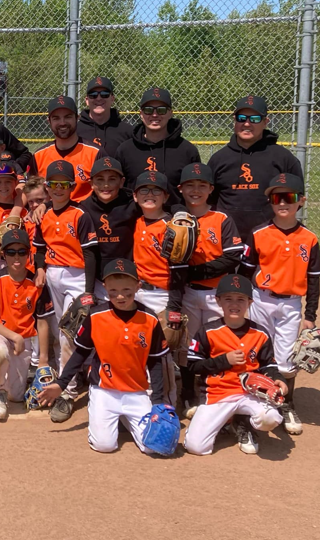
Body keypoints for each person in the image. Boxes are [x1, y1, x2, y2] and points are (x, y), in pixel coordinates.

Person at [37, 259, 168, 454]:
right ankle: (106, 413)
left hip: (136, 391)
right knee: (105, 445)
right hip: (104, 390)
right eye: (113, 291)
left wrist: (157, 400)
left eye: (127, 290)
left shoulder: (150, 318)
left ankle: (122, 419)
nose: (120, 296)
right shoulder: (96, 315)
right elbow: (80, 353)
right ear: (104, 287)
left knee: (153, 447)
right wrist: (62, 383)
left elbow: (156, 361)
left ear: (138, 287)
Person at [239, 173, 319, 436]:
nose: (282, 202)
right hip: (261, 299)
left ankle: (287, 403)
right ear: (270, 202)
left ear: (301, 201)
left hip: (291, 303)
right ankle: (254, 403)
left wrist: (310, 315)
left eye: (289, 197)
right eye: (276, 197)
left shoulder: (310, 238)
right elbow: (245, 271)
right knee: (258, 352)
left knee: (286, 362)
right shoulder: (259, 233)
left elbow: (314, 279)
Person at [184, 274, 285, 456]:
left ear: (250, 302)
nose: (234, 304)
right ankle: (227, 421)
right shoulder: (207, 331)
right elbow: (193, 366)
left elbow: (268, 365)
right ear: (218, 301)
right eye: (228, 299)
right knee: (196, 448)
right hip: (217, 394)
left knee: (271, 418)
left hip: (249, 394)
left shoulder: (260, 333)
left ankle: (243, 423)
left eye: (241, 299)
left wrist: (277, 379)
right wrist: (224, 360)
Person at [32, 159, 98, 422]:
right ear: (47, 187)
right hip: (53, 273)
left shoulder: (80, 215)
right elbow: (38, 247)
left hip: (77, 275)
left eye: (64, 184)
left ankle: (67, 391)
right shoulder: (44, 213)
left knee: (70, 333)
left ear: (72, 187)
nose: (58, 189)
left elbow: (91, 254)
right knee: (62, 329)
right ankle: (76, 375)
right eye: (53, 184)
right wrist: (39, 269)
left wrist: (89, 290)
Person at [178, 163, 243, 417]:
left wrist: (193, 271)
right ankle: (188, 392)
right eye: (190, 185)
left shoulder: (221, 219)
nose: (196, 190)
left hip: (217, 294)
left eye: (202, 185)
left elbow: (232, 257)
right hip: (188, 294)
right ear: (181, 189)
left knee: (221, 343)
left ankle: (221, 391)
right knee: (188, 344)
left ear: (210, 189)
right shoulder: (176, 219)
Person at [207, 96, 303, 241]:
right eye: (241, 118)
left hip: (270, 238)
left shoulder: (283, 158)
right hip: (227, 239)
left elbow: (296, 199)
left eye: (255, 119)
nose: (247, 124)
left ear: (265, 122)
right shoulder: (219, 159)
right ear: (234, 120)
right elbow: (209, 198)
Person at [0, 229, 54, 421]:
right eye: (11, 252)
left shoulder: (36, 283)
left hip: (24, 342)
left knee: (16, 396)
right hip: (1, 334)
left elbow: (42, 322)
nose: (17, 257)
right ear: (4, 255)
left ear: (29, 254)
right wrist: (14, 336)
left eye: (22, 252)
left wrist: (43, 361)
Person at [131, 170, 187, 406]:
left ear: (165, 197)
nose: (150, 194)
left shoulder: (173, 226)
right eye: (144, 190)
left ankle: (168, 403)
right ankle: (141, 399)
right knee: (140, 348)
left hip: (164, 295)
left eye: (156, 191)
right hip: (140, 293)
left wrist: (173, 306)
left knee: (165, 354)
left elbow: (179, 269)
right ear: (135, 197)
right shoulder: (136, 222)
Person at [114, 87, 200, 204]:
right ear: (141, 114)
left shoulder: (187, 151)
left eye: (161, 110)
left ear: (170, 113)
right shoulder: (125, 150)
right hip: (135, 219)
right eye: (148, 110)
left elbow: (196, 191)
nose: (154, 115)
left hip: (174, 218)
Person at [79, 157, 138, 300]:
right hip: (98, 279)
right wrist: (44, 206)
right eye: (99, 179)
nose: (106, 185)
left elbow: (164, 206)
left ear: (122, 182)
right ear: (91, 183)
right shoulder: (83, 207)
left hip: (129, 277)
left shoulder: (133, 204)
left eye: (112, 179)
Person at [33, 96, 100, 202]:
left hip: (85, 215)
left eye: (68, 117)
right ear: (49, 121)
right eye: (56, 118)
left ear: (77, 118)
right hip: (49, 214)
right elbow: (31, 192)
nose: (62, 122)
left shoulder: (95, 153)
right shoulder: (39, 156)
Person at [77, 77, 134, 157]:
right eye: (93, 95)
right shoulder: (76, 131)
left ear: (112, 98)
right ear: (87, 100)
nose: (99, 98)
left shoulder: (127, 132)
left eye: (104, 94)